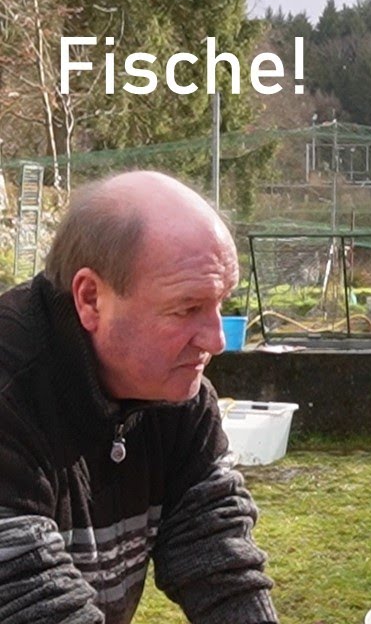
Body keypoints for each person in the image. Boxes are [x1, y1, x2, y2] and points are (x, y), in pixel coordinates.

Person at [0, 171, 278, 623]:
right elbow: (29, 602)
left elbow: (216, 554)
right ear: (91, 298)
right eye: (187, 308)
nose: (215, 339)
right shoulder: (10, 394)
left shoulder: (174, 393)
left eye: (221, 302)